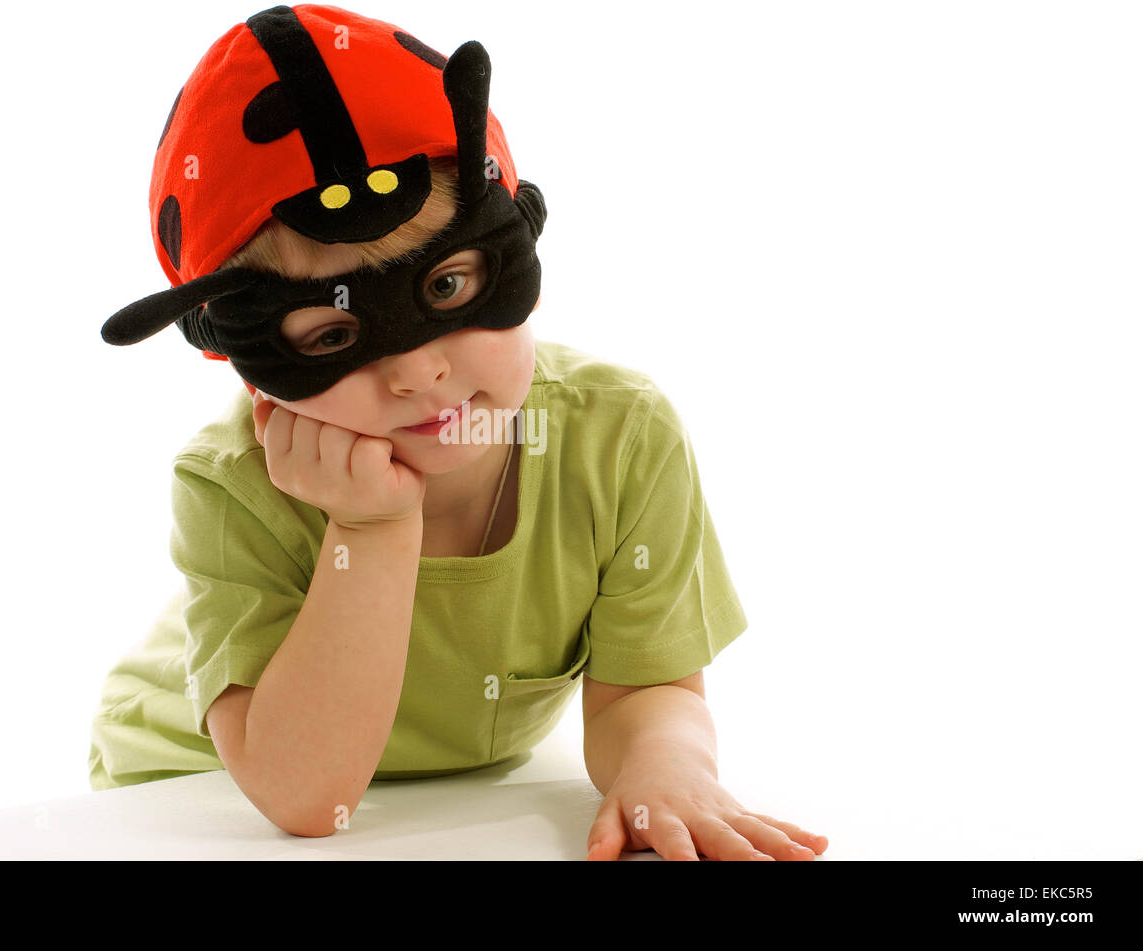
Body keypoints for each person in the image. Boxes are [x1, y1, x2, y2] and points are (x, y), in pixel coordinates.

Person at [89, 3, 828, 861]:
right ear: (258, 371)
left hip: (441, 814)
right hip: (197, 794)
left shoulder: (618, 439)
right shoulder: (233, 483)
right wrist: (370, 527)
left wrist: (666, 766)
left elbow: (642, 692)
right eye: (332, 336)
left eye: (446, 289)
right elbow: (302, 799)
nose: (416, 373)